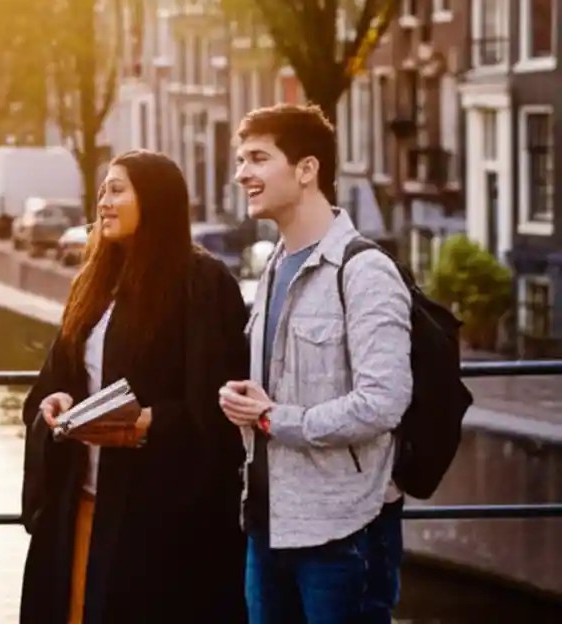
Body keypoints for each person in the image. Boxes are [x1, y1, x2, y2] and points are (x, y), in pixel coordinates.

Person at [20, 150, 248, 624]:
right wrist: (55, 403)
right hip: (82, 507)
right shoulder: (94, 282)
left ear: (156, 200)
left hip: (154, 525)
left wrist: (149, 425)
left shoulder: (202, 283)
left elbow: (216, 403)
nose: (104, 201)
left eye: (118, 189)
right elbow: (58, 379)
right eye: (103, 189)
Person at [220, 104, 412, 624]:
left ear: (307, 170)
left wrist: (271, 418)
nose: (242, 174)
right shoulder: (274, 267)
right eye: (241, 160)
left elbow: (384, 401)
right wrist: (244, 398)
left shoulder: (365, 271)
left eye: (258, 158)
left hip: (342, 531)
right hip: (268, 525)